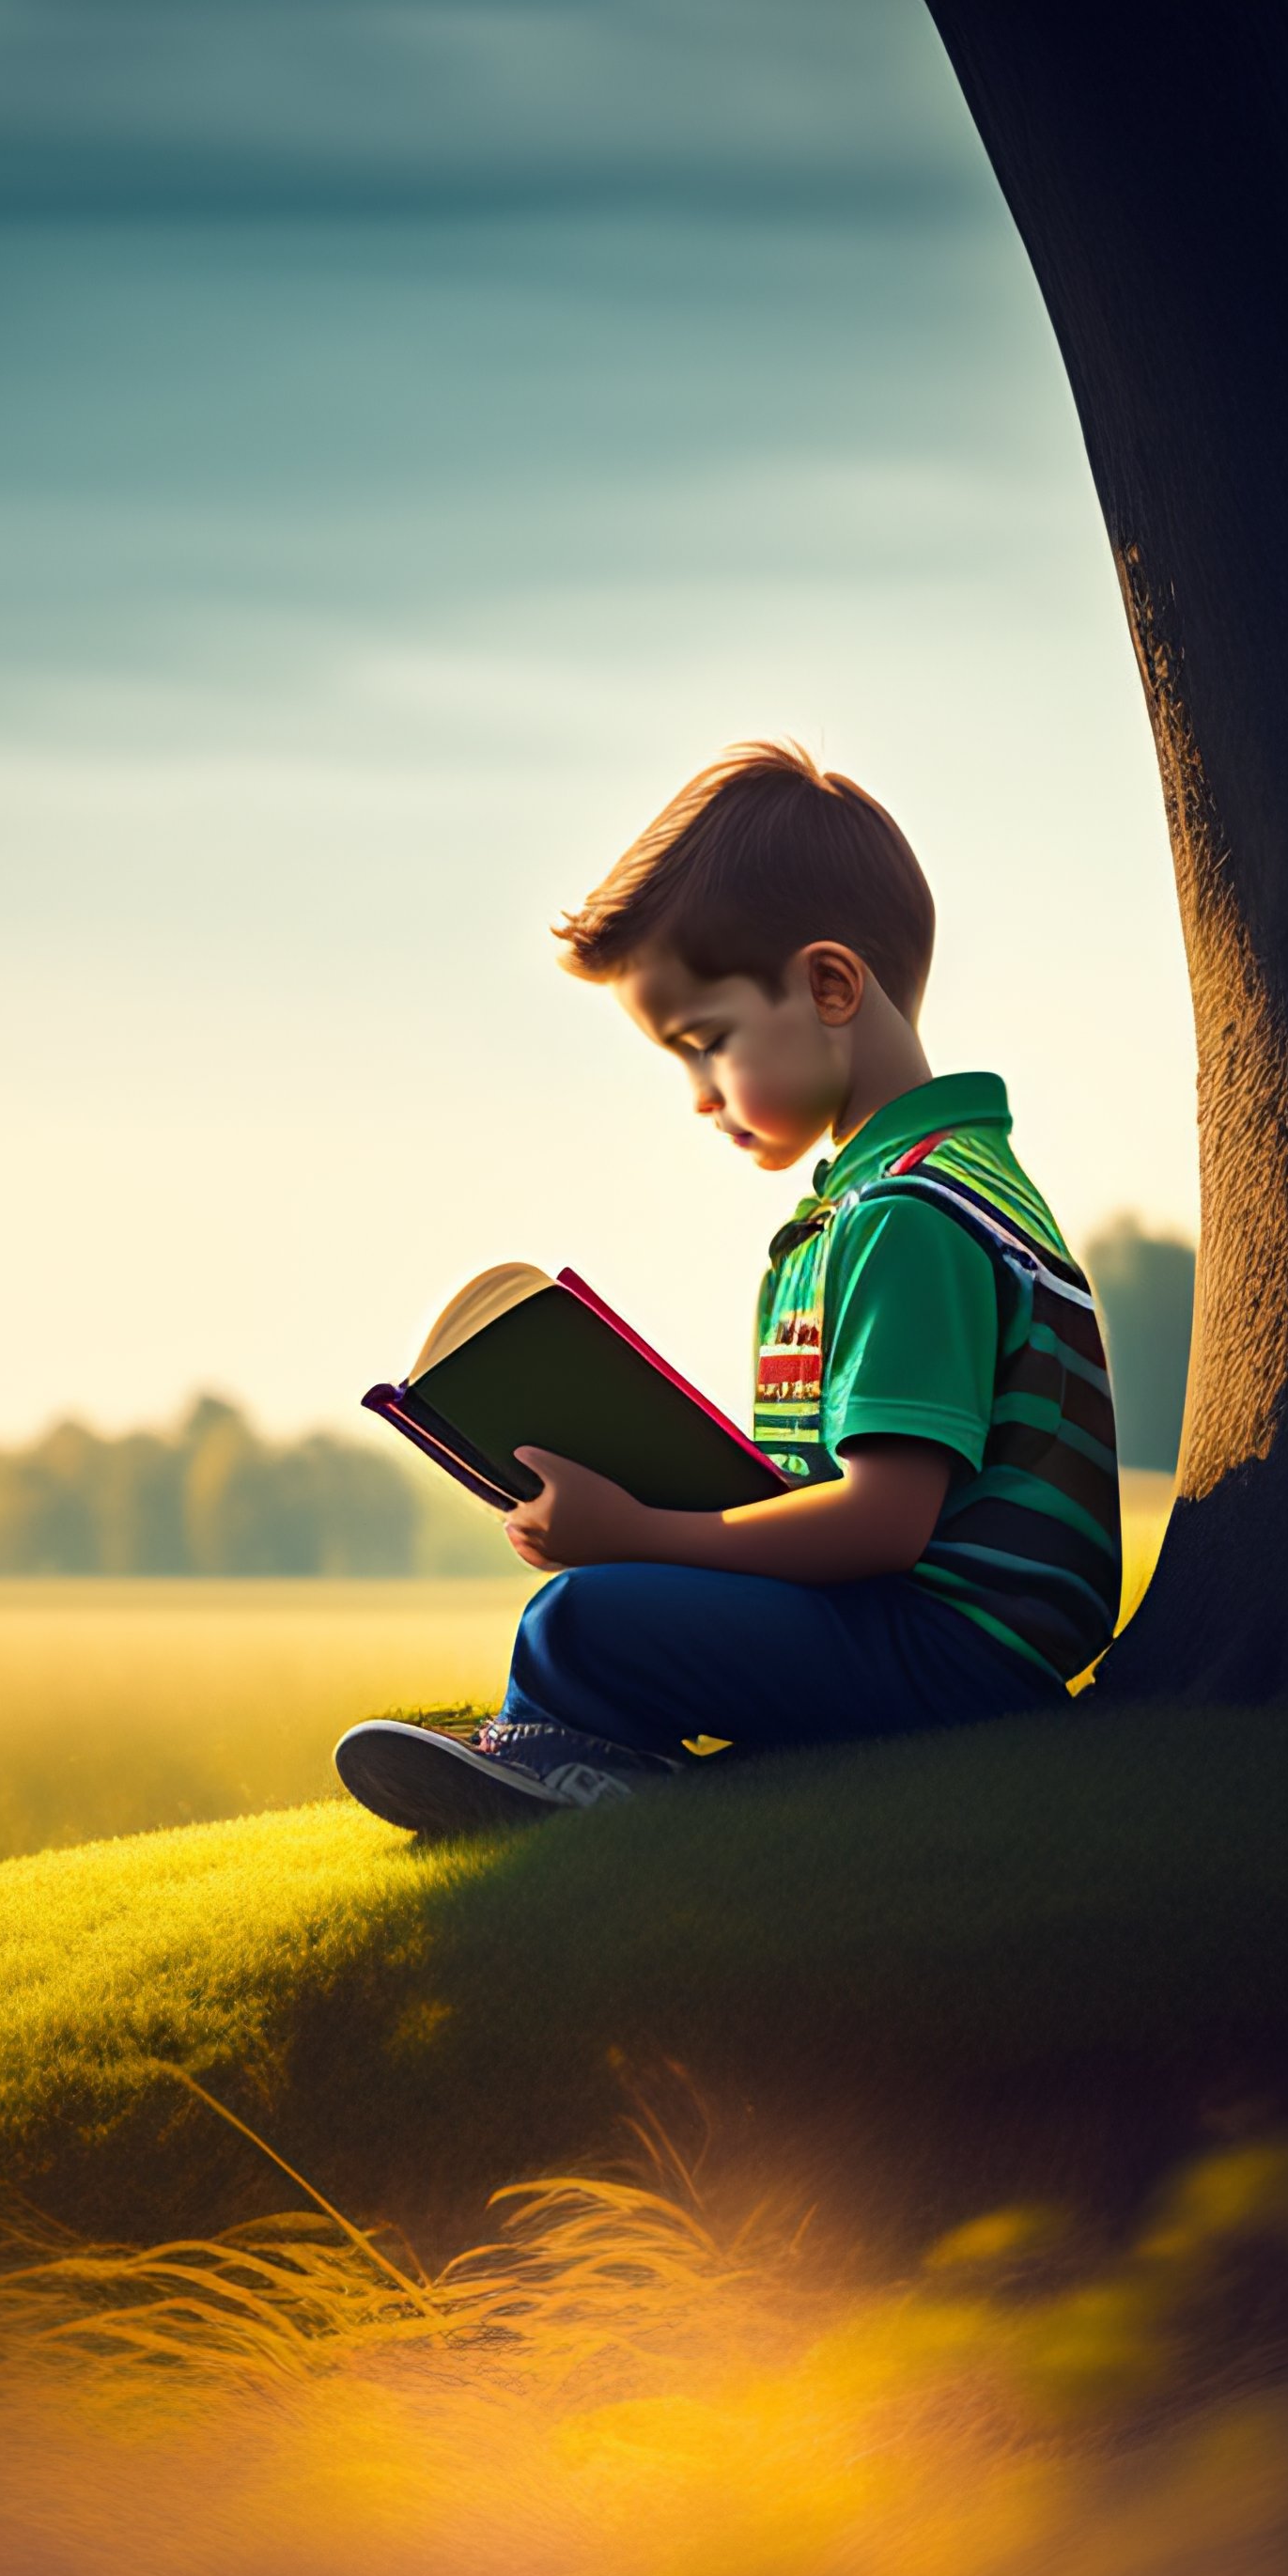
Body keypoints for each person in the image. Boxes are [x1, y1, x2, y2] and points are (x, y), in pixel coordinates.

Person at [337, 741, 1120, 1835]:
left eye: (708, 1045)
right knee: (587, 1616)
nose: (700, 1096)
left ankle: (567, 1759)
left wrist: (639, 1530)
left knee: (580, 1620)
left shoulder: (909, 1216)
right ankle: (559, 1734)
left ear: (829, 985)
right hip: (917, 1636)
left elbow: (886, 1524)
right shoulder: (879, 1204)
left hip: (955, 1655)